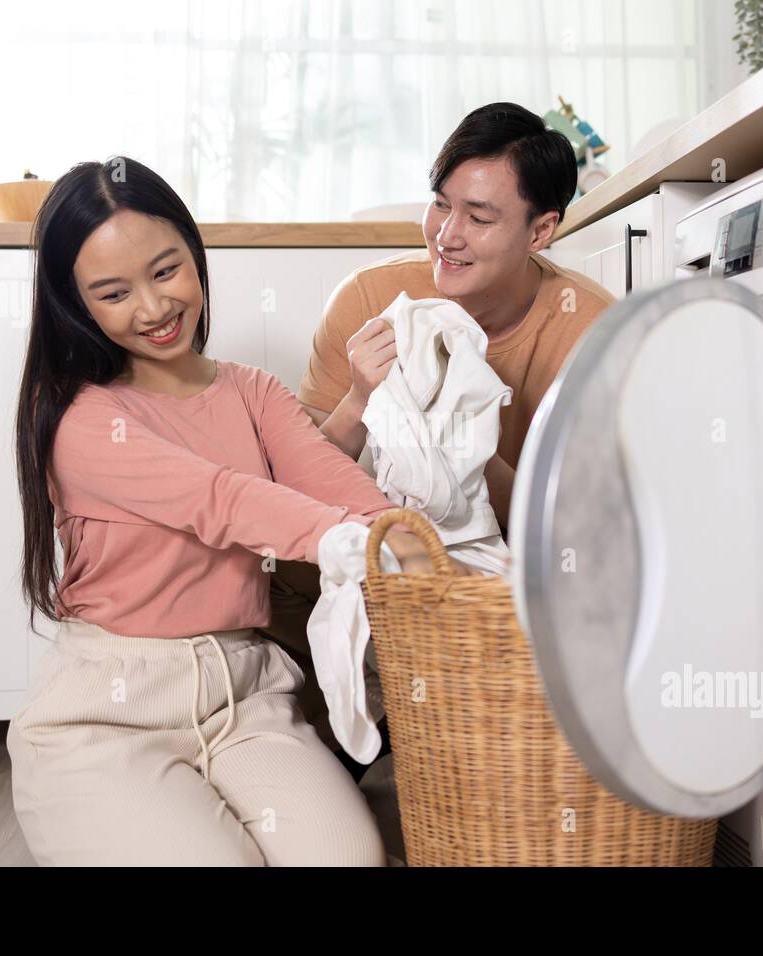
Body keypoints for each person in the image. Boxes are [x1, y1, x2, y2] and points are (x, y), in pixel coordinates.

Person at [7, 155, 467, 866]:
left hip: (246, 696)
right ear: (78, 304)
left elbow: (333, 482)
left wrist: (413, 551)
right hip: (107, 711)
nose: (154, 308)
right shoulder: (74, 415)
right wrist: (341, 543)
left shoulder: (252, 390)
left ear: (194, 255)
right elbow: (218, 499)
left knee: (349, 860)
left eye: (166, 272)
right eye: (113, 292)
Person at [261, 103, 616, 773]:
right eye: (439, 204)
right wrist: (360, 401)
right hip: (368, 572)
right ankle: (333, 740)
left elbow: (581, 537)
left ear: (542, 229)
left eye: (479, 218)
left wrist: (465, 451)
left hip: (501, 607)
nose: (446, 236)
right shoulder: (371, 300)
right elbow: (288, 483)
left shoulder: (588, 331)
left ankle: (462, 752)